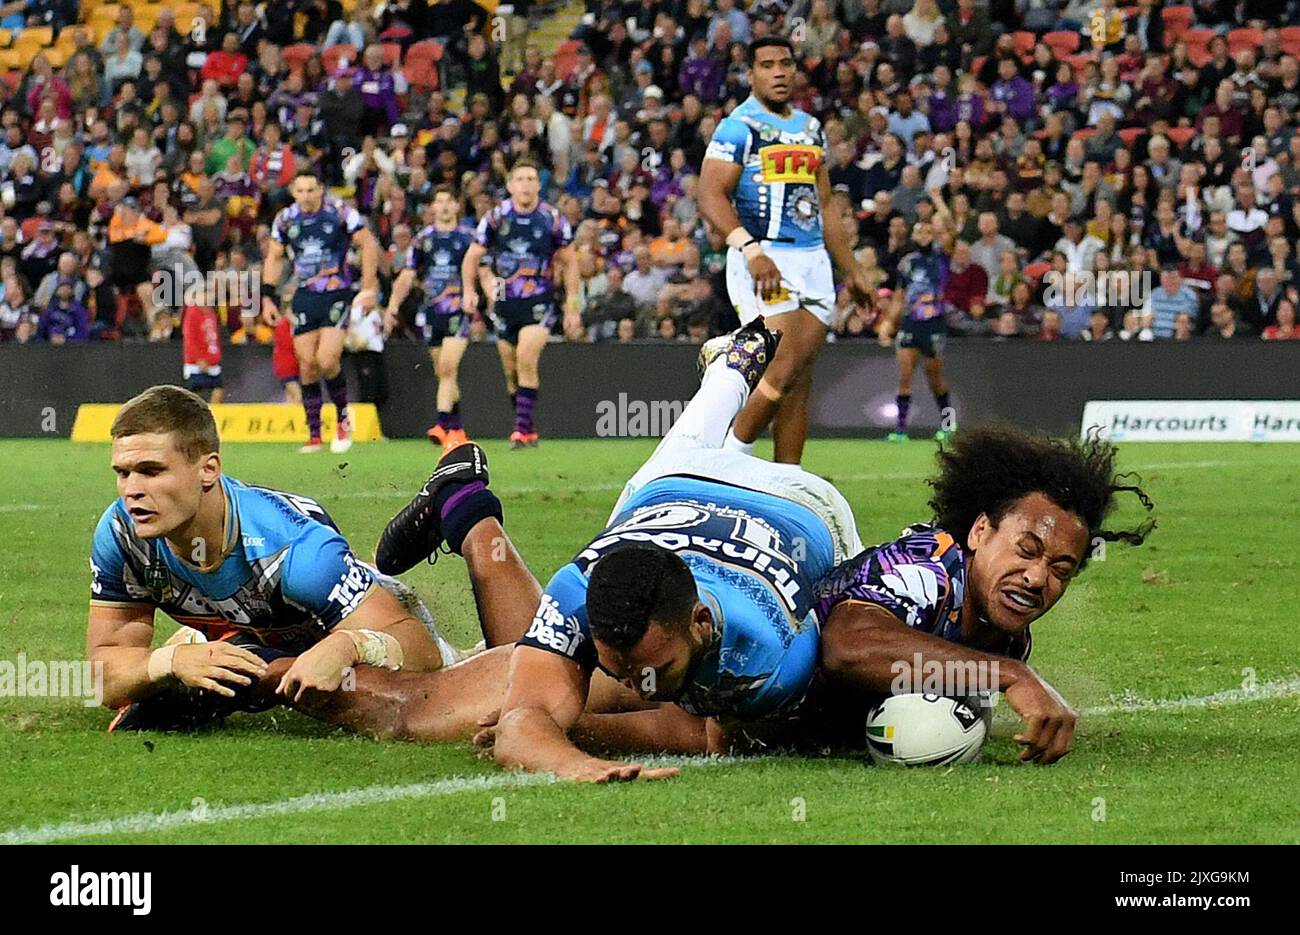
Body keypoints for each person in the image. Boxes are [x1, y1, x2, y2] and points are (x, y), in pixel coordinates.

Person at [88, 386, 458, 733]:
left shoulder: (292, 550)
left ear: (208, 470)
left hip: (348, 618)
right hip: (253, 628)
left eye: (151, 471)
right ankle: (224, 646)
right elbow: (104, 678)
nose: (132, 490)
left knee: (436, 688)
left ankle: (461, 509)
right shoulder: (122, 533)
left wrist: (349, 646)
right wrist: (173, 662)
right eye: (123, 473)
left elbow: (421, 651)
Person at [698, 36, 872, 466]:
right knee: (781, 368)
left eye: (784, 64)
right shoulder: (739, 127)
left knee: (799, 379)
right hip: (765, 260)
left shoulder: (810, 129)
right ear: (751, 73)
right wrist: (750, 249)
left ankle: (786, 481)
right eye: (767, 65)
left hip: (813, 262)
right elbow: (710, 194)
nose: (778, 72)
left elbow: (825, 204)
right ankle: (725, 465)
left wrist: (851, 269)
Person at [461, 158, 580, 448]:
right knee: (511, 369)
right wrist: (470, 289)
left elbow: (570, 261)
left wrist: (572, 305)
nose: (526, 185)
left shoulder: (552, 219)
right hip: (504, 300)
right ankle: (527, 427)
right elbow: (473, 257)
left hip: (539, 298)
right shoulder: (496, 218)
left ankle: (519, 431)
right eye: (520, 180)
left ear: (538, 185)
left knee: (527, 357)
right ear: (510, 185)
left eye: (531, 179)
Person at [260, 168, 380, 454]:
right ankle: (314, 433)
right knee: (307, 364)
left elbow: (368, 244)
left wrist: (368, 287)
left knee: (327, 359)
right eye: (300, 191)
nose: (305, 196)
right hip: (304, 296)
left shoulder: (339, 212)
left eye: (311, 190)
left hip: (337, 293)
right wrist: (267, 298)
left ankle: (342, 418)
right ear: (293, 193)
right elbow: (274, 257)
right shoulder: (286, 219)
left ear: (321, 190)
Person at [385, 185, 476, 452]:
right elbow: (408, 275)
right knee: (443, 373)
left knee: (448, 367)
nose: (445, 206)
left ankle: (441, 424)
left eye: (450, 201)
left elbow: (481, 269)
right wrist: (392, 304)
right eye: (440, 202)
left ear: (457, 206)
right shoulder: (423, 240)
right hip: (433, 312)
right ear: (433, 208)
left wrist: (491, 295)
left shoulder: (469, 238)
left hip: (459, 310)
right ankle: (457, 429)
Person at [877, 219, 956, 442]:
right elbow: (899, 296)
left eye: (927, 231)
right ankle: (901, 430)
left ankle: (948, 424)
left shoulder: (941, 258)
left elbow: (951, 233)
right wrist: (889, 323)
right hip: (910, 322)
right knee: (904, 376)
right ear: (913, 235)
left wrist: (938, 203)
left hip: (933, 323)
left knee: (935, 378)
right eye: (919, 230)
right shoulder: (908, 262)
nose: (923, 234)